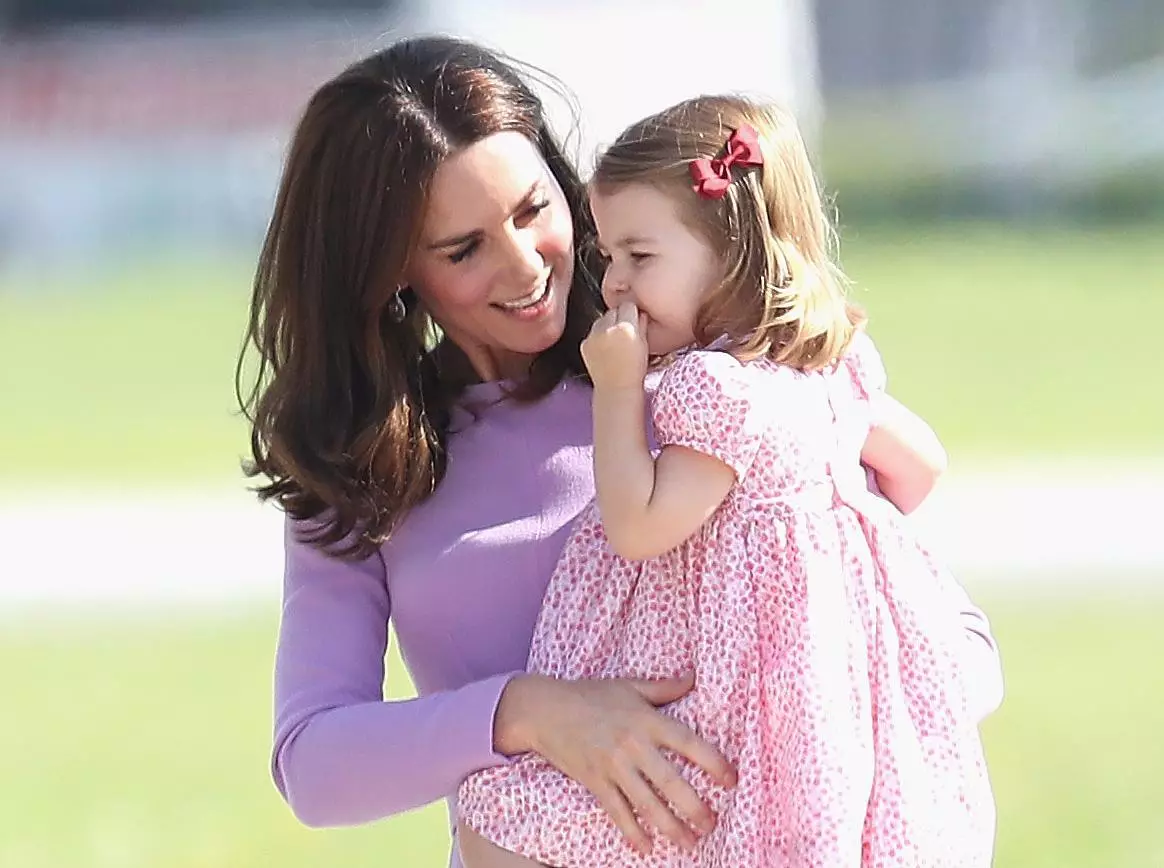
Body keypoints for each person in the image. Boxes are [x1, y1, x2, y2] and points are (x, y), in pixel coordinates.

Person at [237, 37, 1003, 868]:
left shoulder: (709, 377)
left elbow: (941, 620)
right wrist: (529, 712)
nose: (527, 265)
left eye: (534, 210)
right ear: (389, 271)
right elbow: (315, 765)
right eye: (465, 249)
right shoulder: (364, 468)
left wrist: (804, 701)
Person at [456, 96, 999, 868]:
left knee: (504, 819)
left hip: (728, 696)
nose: (614, 285)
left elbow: (639, 527)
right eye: (609, 256)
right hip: (815, 697)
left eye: (640, 258)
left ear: (733, 250)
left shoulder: (713, 390)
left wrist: (617, 389)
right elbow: (922, 465)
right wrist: (843, 537)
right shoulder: (825, 367)